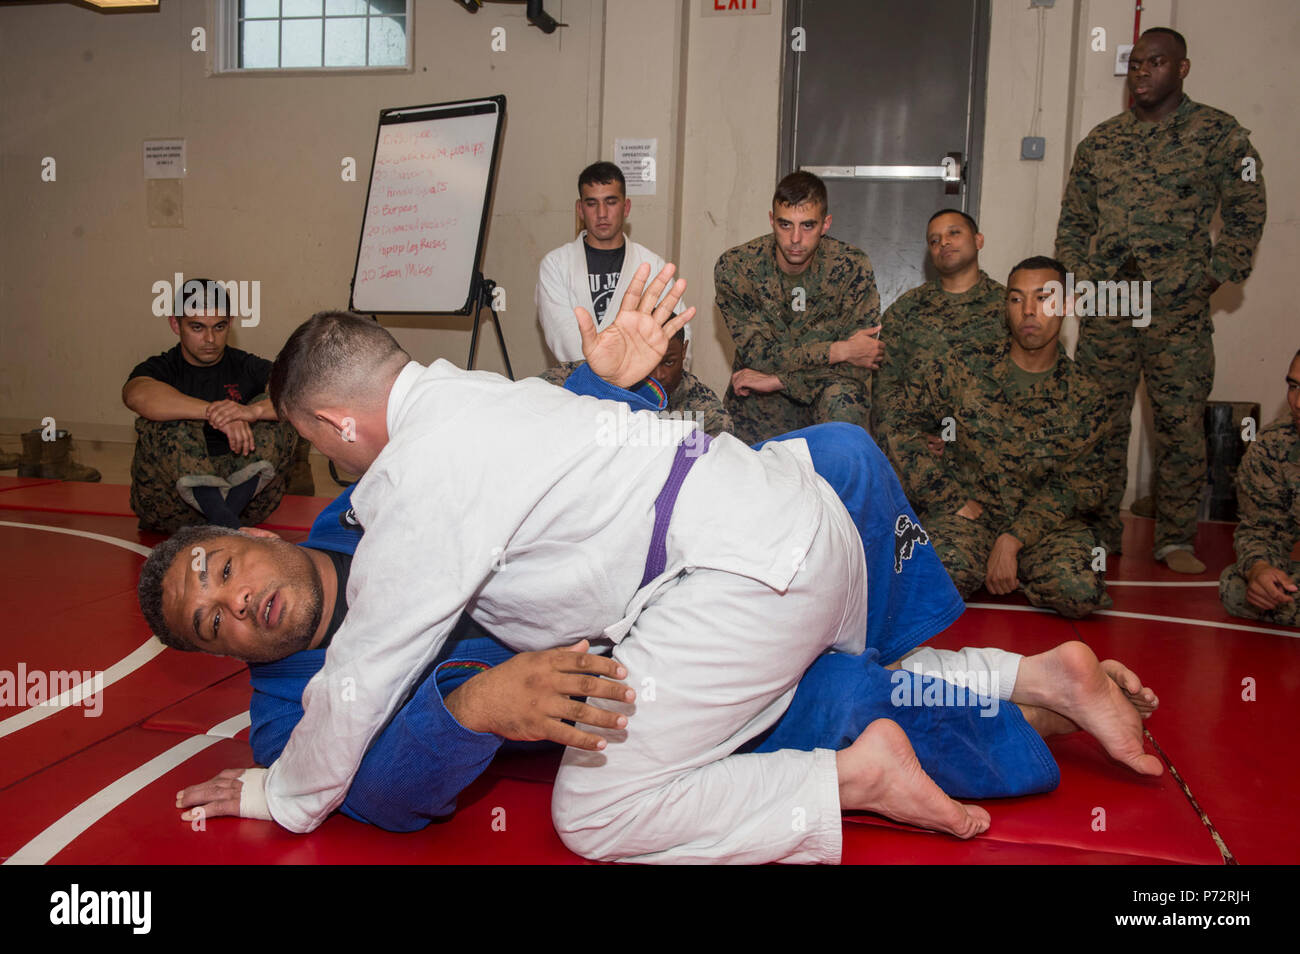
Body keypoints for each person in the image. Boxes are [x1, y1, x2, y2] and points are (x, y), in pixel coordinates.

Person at [200, 265, 1158, 864]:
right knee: (847, 672)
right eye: (211, 612)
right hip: (790, 529)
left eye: (326, 447)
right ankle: (1036, 672)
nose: (340, 468)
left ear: (336, 423)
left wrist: (279, 794)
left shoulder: (413, 482)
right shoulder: (476, 396)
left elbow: (363, 676)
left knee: (596, 812)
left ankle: (847, 782)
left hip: (738, 577)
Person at [1055, 27, 1267, 572]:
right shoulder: (1100, 142)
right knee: (1099, 421)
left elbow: (1247, 212)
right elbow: (1074, 221)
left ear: (1182, 68)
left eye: (1156, 63)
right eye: (1135, 64)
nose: (1143, 72)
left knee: (1178, 422)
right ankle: (1100, 530)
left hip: (1177, 303)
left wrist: (1213, 277)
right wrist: (1083, 275)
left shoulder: (1218, 135)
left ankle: (1174, 537)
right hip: (1110, 301)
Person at [893, 257, 1111, 619]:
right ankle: (985, 565)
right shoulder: (963, 368)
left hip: (1043, 527)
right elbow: (902, 425)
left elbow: (1080, 483)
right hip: (969, 517)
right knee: (928, 581)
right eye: (1015, 299)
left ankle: (1014, 564)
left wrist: (1014, 539)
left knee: (1078, 591)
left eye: (1044, 298)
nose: (1028, 311)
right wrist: (945, 494)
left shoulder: (1085, 395)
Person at [715, 171, 882, 444]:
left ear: (825, 224)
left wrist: (778, 380)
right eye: (784, 225)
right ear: (771, 220)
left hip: (825, 395)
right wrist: (839, 350)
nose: (795, 238)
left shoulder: (851, 267)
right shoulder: (738, 267)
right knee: (735, 467)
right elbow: (761, 357)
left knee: (845, 398)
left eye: (807, 226)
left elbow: (861, 363)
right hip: (760, 402)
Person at [122, 278, 299, 532]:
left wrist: (251, 412)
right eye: (197, 327)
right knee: (163, 416)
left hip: (246, 504)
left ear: (231, 324)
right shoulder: (162, 367)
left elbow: (300, 396)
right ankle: (223, 521)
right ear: (175, 324)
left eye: (219, 327)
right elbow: (135, 395)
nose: (210, 339)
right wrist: (214, 413)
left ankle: (224, 519)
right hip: (173, 506)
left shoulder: (246, 365)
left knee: (280, 409)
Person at [873, 209, 1006, 466]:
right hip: (919, 457)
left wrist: (968, 438)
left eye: (954, 233)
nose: (943, 242)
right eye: (934, 240)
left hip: (991, 456)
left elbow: (1028, 381)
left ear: (978, 240)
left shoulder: (1008, 307)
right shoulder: (907, 309)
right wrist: (909, 440)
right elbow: (885, 388)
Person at [535, 161, 684, 363]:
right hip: (579, 384)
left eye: (611, 202)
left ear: (626, 207)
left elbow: (678, 335)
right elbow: (563, 337)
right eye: (592, 203)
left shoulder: (651, 264)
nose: (602, 213)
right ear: (580, 209)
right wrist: (610, 374)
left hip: (641, 384)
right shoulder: (556, 265)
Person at [1218, 350, 1300, 626]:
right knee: (1236, 587)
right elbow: (1262, 528)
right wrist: (1261, 569)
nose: (1297, 402)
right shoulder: (1274, 444)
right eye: (1293, 387)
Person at [539, 329, 733, 436]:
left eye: (669, 362)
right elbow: (533, 399)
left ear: (684, 351)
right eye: (648, 361)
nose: (658, 375)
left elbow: (711, 469)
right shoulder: (597, 375)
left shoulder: (703, 410)